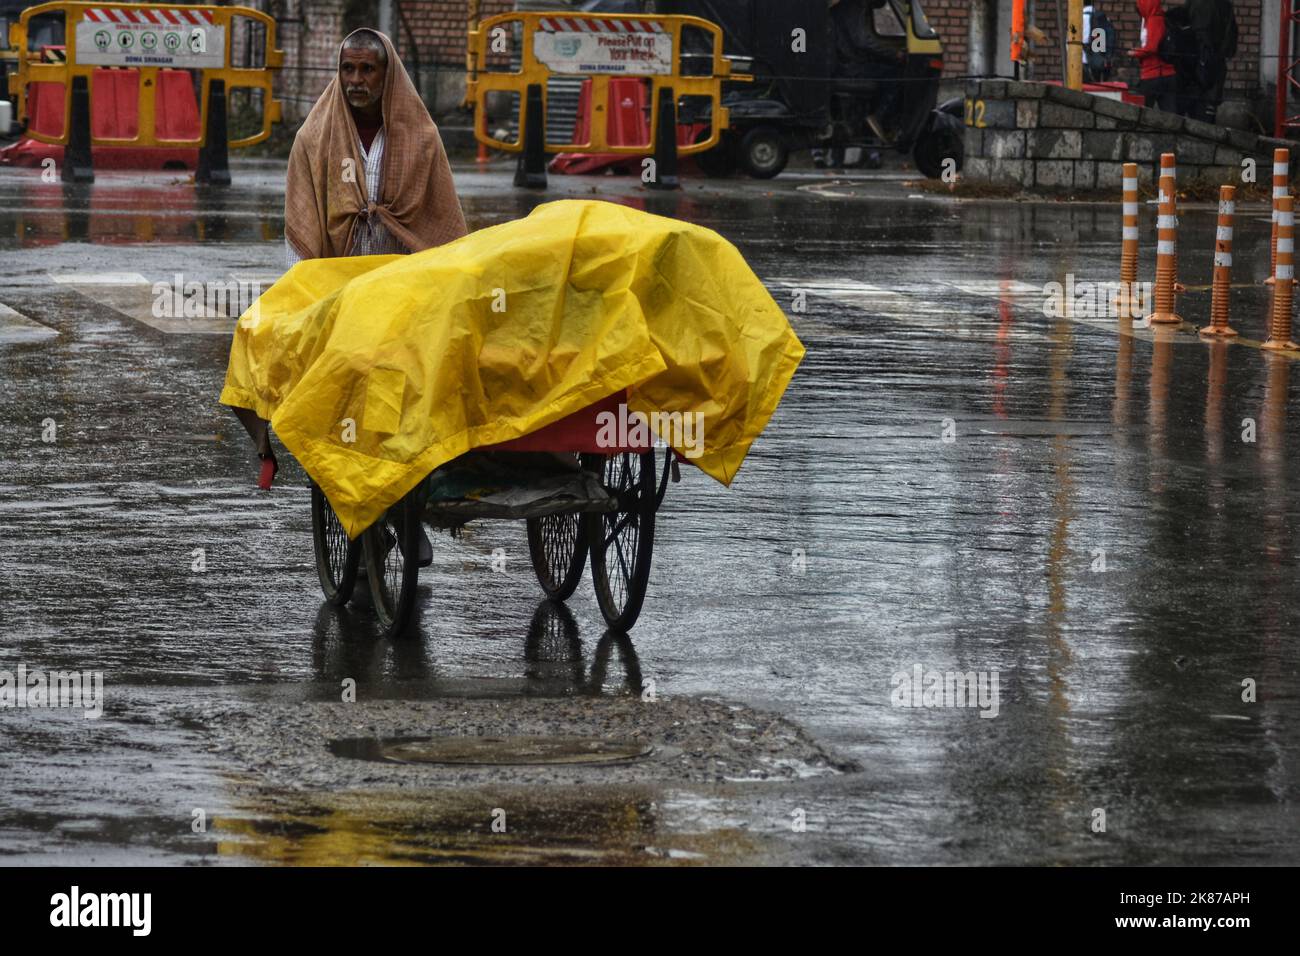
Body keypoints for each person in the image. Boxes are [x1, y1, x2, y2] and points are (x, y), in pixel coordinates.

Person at [232, 28, 467, 561]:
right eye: (349, 70)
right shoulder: (313, 140)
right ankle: (353, 498)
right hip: (335, 293)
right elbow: (302, 236)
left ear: (388, 76)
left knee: (412, 384)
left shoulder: (422, 140)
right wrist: (315, 300)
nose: (357, 81)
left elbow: (443, 232)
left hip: (406, 294)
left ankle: (407, 507)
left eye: (368, 70)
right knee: (284, 359)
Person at [1185, 0, 1237, 121]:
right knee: (1211, 100)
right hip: (1215, 56)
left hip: (1195, 56)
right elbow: (1231, 32)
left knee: (1194, 97)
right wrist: (1224, 52)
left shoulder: (1193, 3)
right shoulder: (1224, 5)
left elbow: (1184, 23)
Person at [1129, 0, 1177, 111]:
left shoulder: (1154, 20)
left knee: (1141, 114)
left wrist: (1135, 53)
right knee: (1170, 116)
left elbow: (1151, 48)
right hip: (1166, 74)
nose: (1138, 7)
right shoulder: (1160, 19)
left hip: (1154, 74)